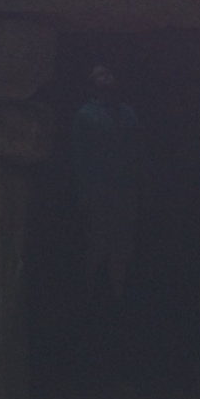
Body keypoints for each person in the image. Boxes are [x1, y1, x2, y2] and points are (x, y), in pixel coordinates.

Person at [72, 66, 139, 305]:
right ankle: (88, 293)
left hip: (125, 191)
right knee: (96, 243)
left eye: (109, 75)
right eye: (99, 77)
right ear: (91, 87)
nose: (106, 80)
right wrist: (84, 194)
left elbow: (137, 154)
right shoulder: (85, 117)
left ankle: (118, 294)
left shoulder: (129, 114)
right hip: (98, 192)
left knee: (122, 243)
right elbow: (80, 159)